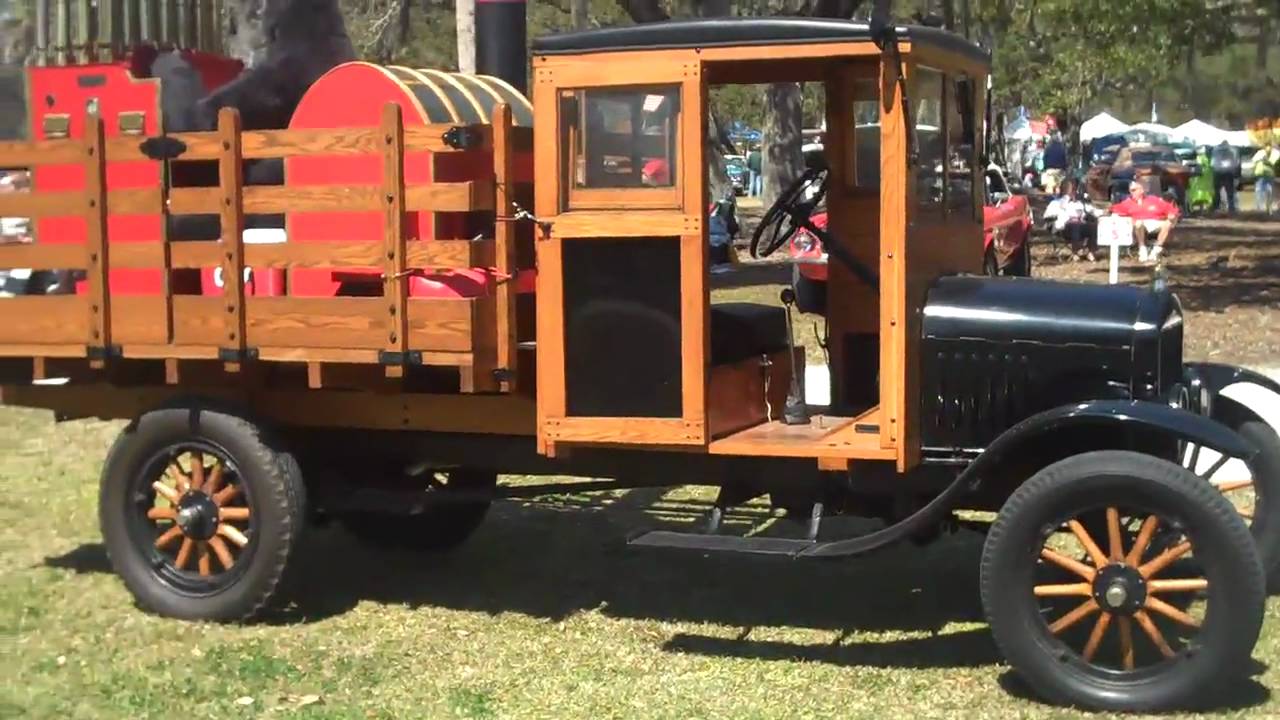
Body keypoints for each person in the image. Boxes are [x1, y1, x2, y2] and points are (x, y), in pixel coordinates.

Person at [1109, 180, 1180, 263]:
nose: (1132, 193)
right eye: (1130, 191)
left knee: (1168, 223)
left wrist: (1171, 215)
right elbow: (1112, 209)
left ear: (1141, 190)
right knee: (1139, 223)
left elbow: (1172, 209)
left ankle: (1156, 250)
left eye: (1134, 190)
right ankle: (1142, 249)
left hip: (1155, 223)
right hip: (1139, 225)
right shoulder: (1127, 203)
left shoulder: (1154, 200)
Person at [1042, 179, 1099, 261]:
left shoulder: (1080, 203)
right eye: (1072, 190)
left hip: (1080, 226)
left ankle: (1091, 252)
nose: (1075, 192)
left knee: (1093, 227)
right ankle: (1075, 252)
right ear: (1065, 190)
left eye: (1075, 190)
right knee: (1075, 226)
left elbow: (1094, 211)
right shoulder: (1056, 203)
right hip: (1064, 229)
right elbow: (1046, 216)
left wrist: (1104, 212)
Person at [1210, 140, 1240, 214]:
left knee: (1217, 191)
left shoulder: (1215, 150)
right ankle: (1231, 208)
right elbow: (1236, 162)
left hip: (1218, 171)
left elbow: (1212, 162)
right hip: (1228, 172)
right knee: (1230, 191)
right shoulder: (1233, 150)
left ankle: (1216, 207)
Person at [1249, 141, 1278, 216]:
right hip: (1260, 174)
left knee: (1269, 191)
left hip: (1269, 175)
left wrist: (1265, 160)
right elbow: (1253, 161)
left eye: (1269, 146)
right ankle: (1259, 208)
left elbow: (1273, 163)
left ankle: (1269, 208)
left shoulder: (1275, 153)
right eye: (1266, 146)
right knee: (1259, 190)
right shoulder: (1260, 153)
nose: (1268, 148)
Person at [1187, 145, 1215, 213]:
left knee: (1196, 193)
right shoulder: (1208, 158)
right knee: (1205, 193)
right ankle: (1203, 209)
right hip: (1207, 178)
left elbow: (1197, 167)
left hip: (1199, 178)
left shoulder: (1199, 158)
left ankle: (1195, 208)